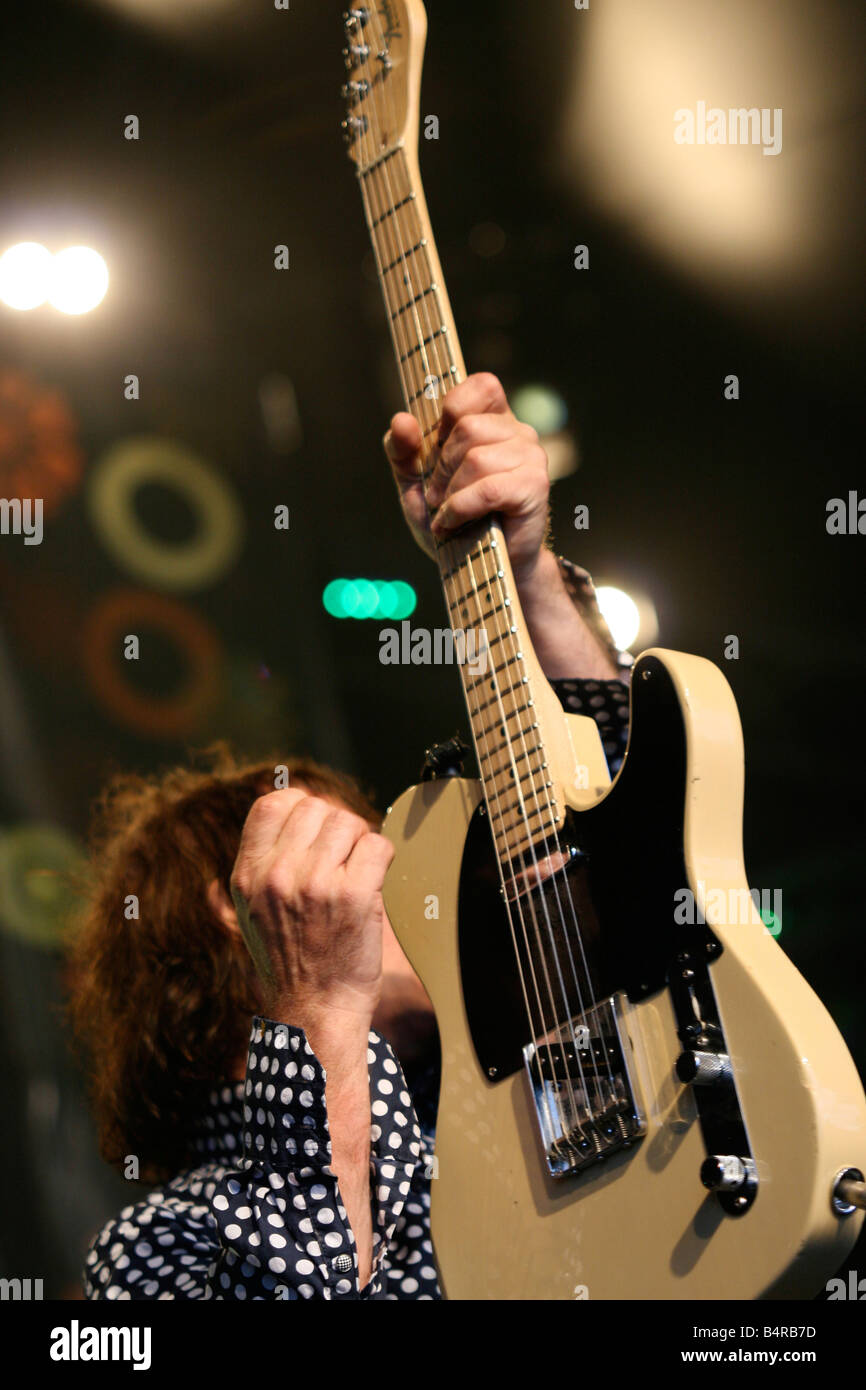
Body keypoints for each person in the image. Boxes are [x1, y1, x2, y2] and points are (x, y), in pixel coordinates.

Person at [70, 374, 632, 1299]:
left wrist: (526, 574)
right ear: (239, 911)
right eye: (359, 853)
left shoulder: (522, 1118)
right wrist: (320, 1009)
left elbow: (634, 839)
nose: (415, 877)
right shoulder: (158, 1243)